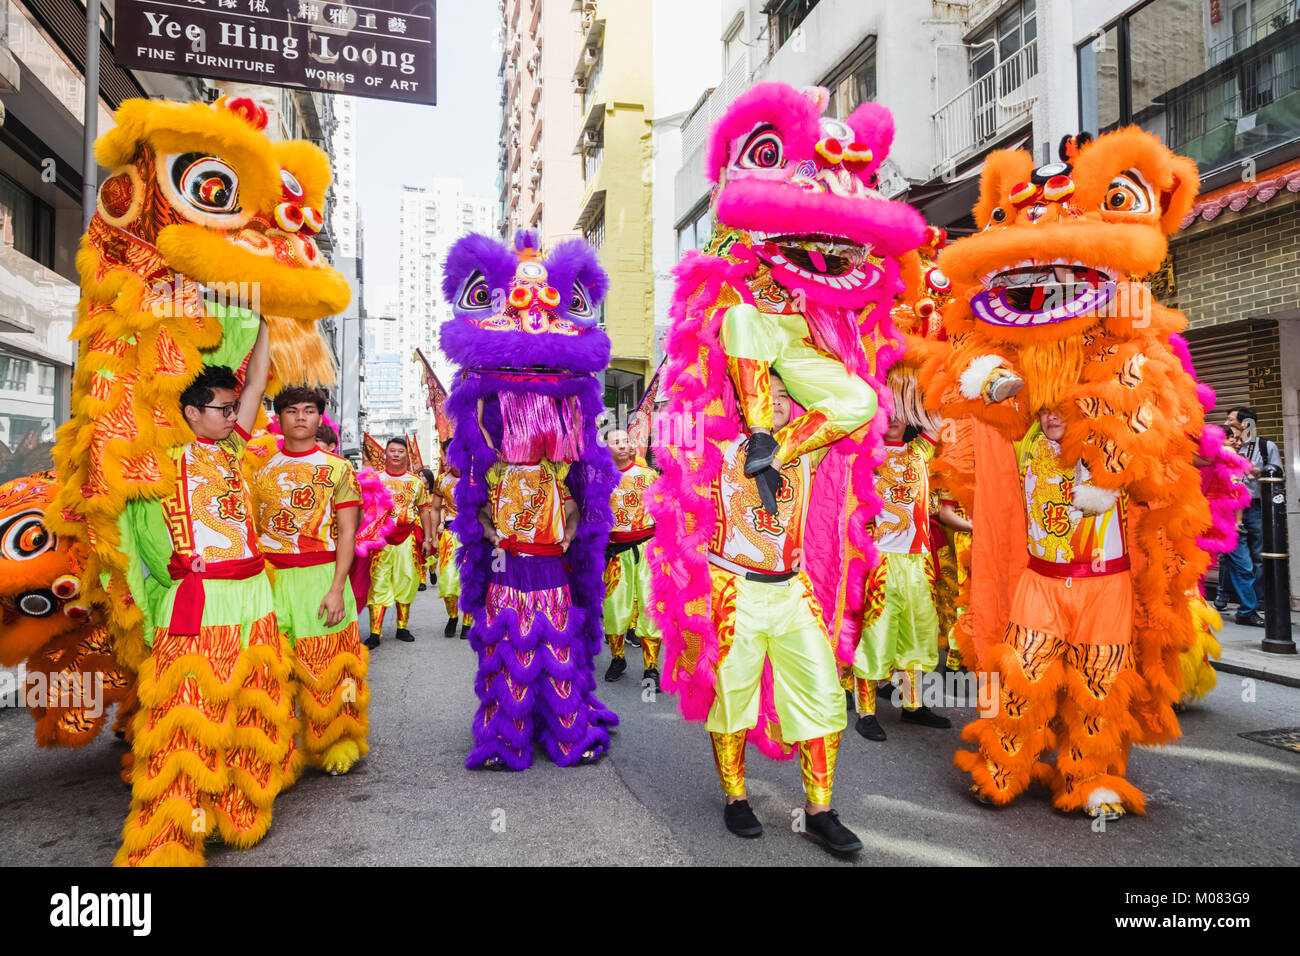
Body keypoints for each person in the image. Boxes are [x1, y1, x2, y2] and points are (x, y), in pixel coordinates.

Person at [115, 322, 301, 866]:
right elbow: (144, 536)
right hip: (201, 599)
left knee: (251, 707)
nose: (232, 413)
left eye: (231, 407)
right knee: (189, 716)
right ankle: (172, 836)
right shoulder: (164, 461)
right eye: (221, 407)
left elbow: (257, 381)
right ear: (191, 412)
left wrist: (265, 323)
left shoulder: (232, 448)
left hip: (252, 595)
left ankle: (237, 814)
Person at [702, 374, 862, 855]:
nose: (772, 403)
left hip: (793, 592)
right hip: (734, 592)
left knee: (824, 696)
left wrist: (796, 355)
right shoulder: (718, 450)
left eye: (783, 396)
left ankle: (819, 811)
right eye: (762, 395)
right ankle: (736, 798)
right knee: (733, 699)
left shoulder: (804, 451)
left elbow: (854, 402)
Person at [956, 408, 1139, 818]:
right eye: (1044, 404)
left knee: (1098, 684)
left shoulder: (1117, 446)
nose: (1052, 412)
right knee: (1022, 678)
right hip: (1040, 583)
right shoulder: (1024, 447)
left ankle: (1090, 781)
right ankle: (1001, 772)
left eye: (1063, 403)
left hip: (1106, 586)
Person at [250, 385, 369, 775]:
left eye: (308, 411)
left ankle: (337, 742)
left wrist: (337, 589)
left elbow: (347, 534)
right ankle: (278, 754)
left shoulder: (338, 469)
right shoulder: (259, 469)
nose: (300, 417)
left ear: (320, 418)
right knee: (271, 672)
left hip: (321, 576)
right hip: (269, 579)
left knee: (330, 667)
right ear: (278, 416)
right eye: (291, 411)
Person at [851, 412, 950, 741]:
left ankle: (913, 704)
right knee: (876, 634)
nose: (894, 417)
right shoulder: (866, 455)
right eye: (888, 409)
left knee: (919, 632)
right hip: (879, 561)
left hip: (917, 559)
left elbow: (941, 414)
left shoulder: (921, 450)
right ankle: (866, 711)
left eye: (901, 410)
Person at [601, 429, 663, 688]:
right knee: (614, 608)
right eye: (616, 442)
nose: (624, 446)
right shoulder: (600, 478)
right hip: (615, 553)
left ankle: (651, 667)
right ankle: (618, 658)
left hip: (649, 549)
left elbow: (665, 510)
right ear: (607, 448)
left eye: (627, 441)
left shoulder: (650, 476)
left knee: (650, 607)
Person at [365, 438, 435, 648]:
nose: (395, 454)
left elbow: (424, 511)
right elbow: (365, 510)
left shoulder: (415, 482)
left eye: (400, 451)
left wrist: (429, 539)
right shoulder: (374, 480)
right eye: (392, 451)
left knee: (406, 579)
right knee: (378, 580)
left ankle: (402, 627)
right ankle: (375, 632)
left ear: (407, 455)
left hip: (408, 538)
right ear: (385, 454)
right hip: (380, 540)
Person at [1217, 407, 1280, 626]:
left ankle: (1255, 602)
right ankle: (1245, 606)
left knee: (1259, 559)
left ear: (1246, 425)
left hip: (1256, 507)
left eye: (1231, 420)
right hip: (1229, 511)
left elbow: (1276, 474)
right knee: (1240, 561)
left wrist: (1252, 469)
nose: (1227, 423)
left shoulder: (1265, 447)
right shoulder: (1225, 447)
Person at [429, 443, 472, 639]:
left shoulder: (476, 479)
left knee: (469, 580)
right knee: (447, 581)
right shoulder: (441, 481)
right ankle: (453, 616)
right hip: (448, 535)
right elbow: (435, 509)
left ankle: (467, 623)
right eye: (449, 454)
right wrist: (432, 537)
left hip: (471, 536)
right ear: (445, 456)